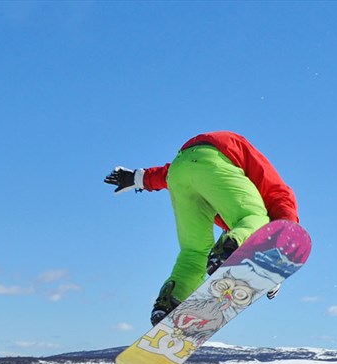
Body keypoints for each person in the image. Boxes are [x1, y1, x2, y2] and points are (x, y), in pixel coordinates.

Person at [105, 131, 299, 326]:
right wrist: (274, 267)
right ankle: (232, 249)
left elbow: (189, 169)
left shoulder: (229, 203)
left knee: (193, 252)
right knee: (255, 218)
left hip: (180, 169)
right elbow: (285, 218)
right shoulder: (276, 195)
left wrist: (138, 178)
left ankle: (170, 302)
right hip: (218, 156)